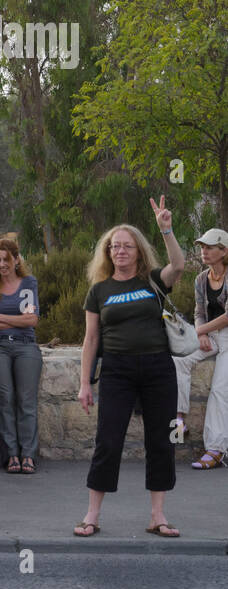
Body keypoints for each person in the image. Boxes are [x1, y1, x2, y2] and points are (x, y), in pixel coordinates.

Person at [75, 198, 186, 537]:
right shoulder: (99, 291)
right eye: (115, 247)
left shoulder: (152, 281)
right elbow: (91, 340)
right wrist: (84, 383)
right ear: (108, 253)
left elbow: (179, 266)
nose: (120, 251)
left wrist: (166, 228)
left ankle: (158, 516)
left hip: (158, 369)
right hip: (117, 371)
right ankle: (92, 515)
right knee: (108, 441)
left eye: (127, 246)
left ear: (138, 252)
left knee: (163, 441)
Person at [0, 238, 42, 474]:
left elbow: (32, 320)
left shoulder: (28, 283)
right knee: (4, 399)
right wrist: (13, 320)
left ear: (17, 259)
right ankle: (11, 454)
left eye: (7, 259)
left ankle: (28, 454)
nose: (2, 264)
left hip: (26, 346)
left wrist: (0, 318)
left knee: (26, 400)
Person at [175, 228, 228, 468]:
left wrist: (200, 330)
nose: (203, 251)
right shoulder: (200, 279)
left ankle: (216, 449)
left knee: (219, 389)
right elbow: (198, 312)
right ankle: (178, 420)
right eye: (202, 247)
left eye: (209, 247)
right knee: (177, 359)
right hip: (209, 334)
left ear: (224, 251)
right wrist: (202, 329)